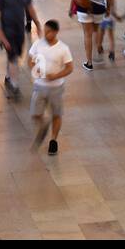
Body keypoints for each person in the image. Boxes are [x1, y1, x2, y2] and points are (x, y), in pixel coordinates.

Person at [28, 20, 74, 156]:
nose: (45, 34)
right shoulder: (38, 44)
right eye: (45, 30)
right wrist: (35, 70)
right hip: (39, 86)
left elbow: (70, 68)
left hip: (56, 88)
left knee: (56, 114)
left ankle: (53, 140)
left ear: (55, 32)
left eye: (48, 32)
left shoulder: (63, 49)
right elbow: (30, 61)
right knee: (35, 114)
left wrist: (56, 76)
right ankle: (43, 124)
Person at [74, 0, 114, 71]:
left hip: (84, 8)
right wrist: (108, 10)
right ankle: (98, 47)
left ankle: (89, 62)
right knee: (96, 30)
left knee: (87, 34)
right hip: (99, 8)